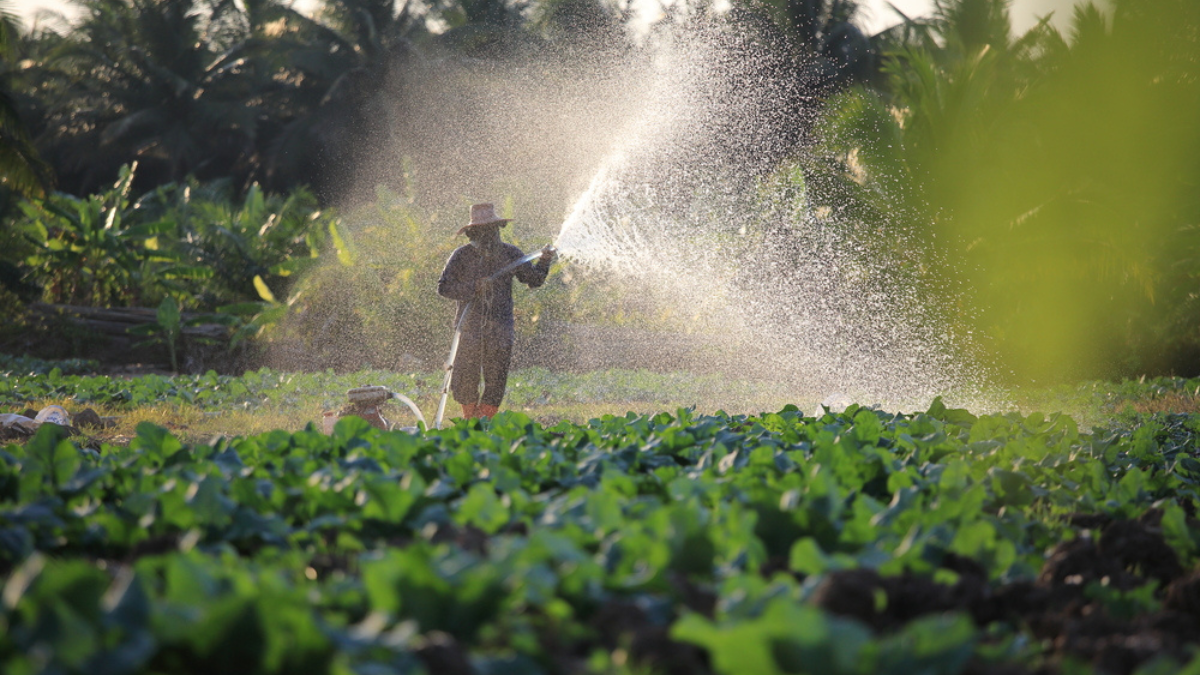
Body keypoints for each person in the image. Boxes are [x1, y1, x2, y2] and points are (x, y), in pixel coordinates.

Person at [438, 202, 556, 419]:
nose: (489, 234)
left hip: (500, 329)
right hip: (469, 329)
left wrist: (545, 260)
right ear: (472, 233)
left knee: (496, 380)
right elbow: (444, 288)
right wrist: (473, 287)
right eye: (483, 230)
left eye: (492, 229)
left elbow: (534, 280)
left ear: (499, 229)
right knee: (465, 379)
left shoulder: (510, 253)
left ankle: (483, 422)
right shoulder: (461, 256)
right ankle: (469, 420)